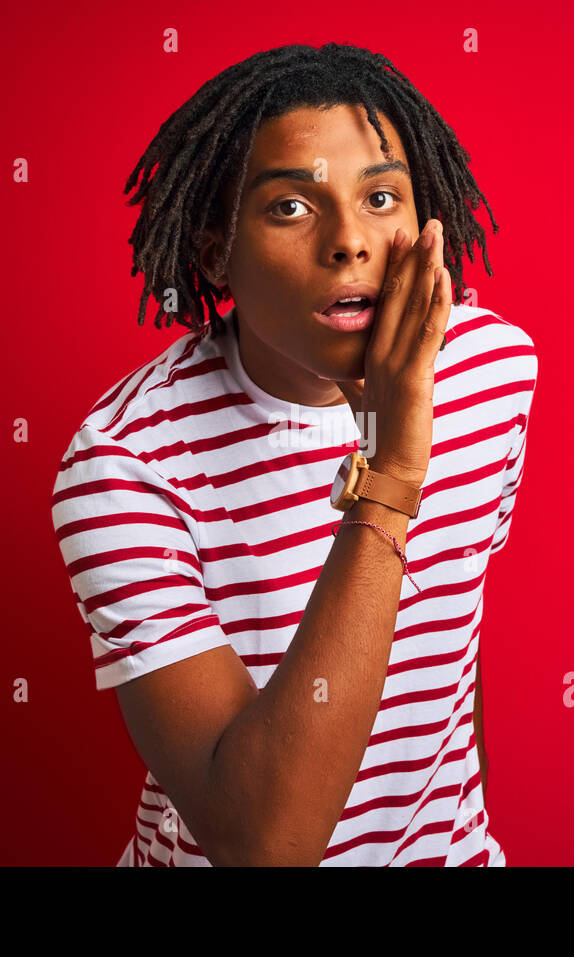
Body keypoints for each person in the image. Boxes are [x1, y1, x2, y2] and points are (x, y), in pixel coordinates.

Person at [50, 42, 537, 866]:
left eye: (380, 196)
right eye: (290, 207)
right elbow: (265, 846)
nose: (350, 240)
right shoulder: (127, 464)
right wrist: (390, 467)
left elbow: (452, 637)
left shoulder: (494, 372)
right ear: (214, 252)